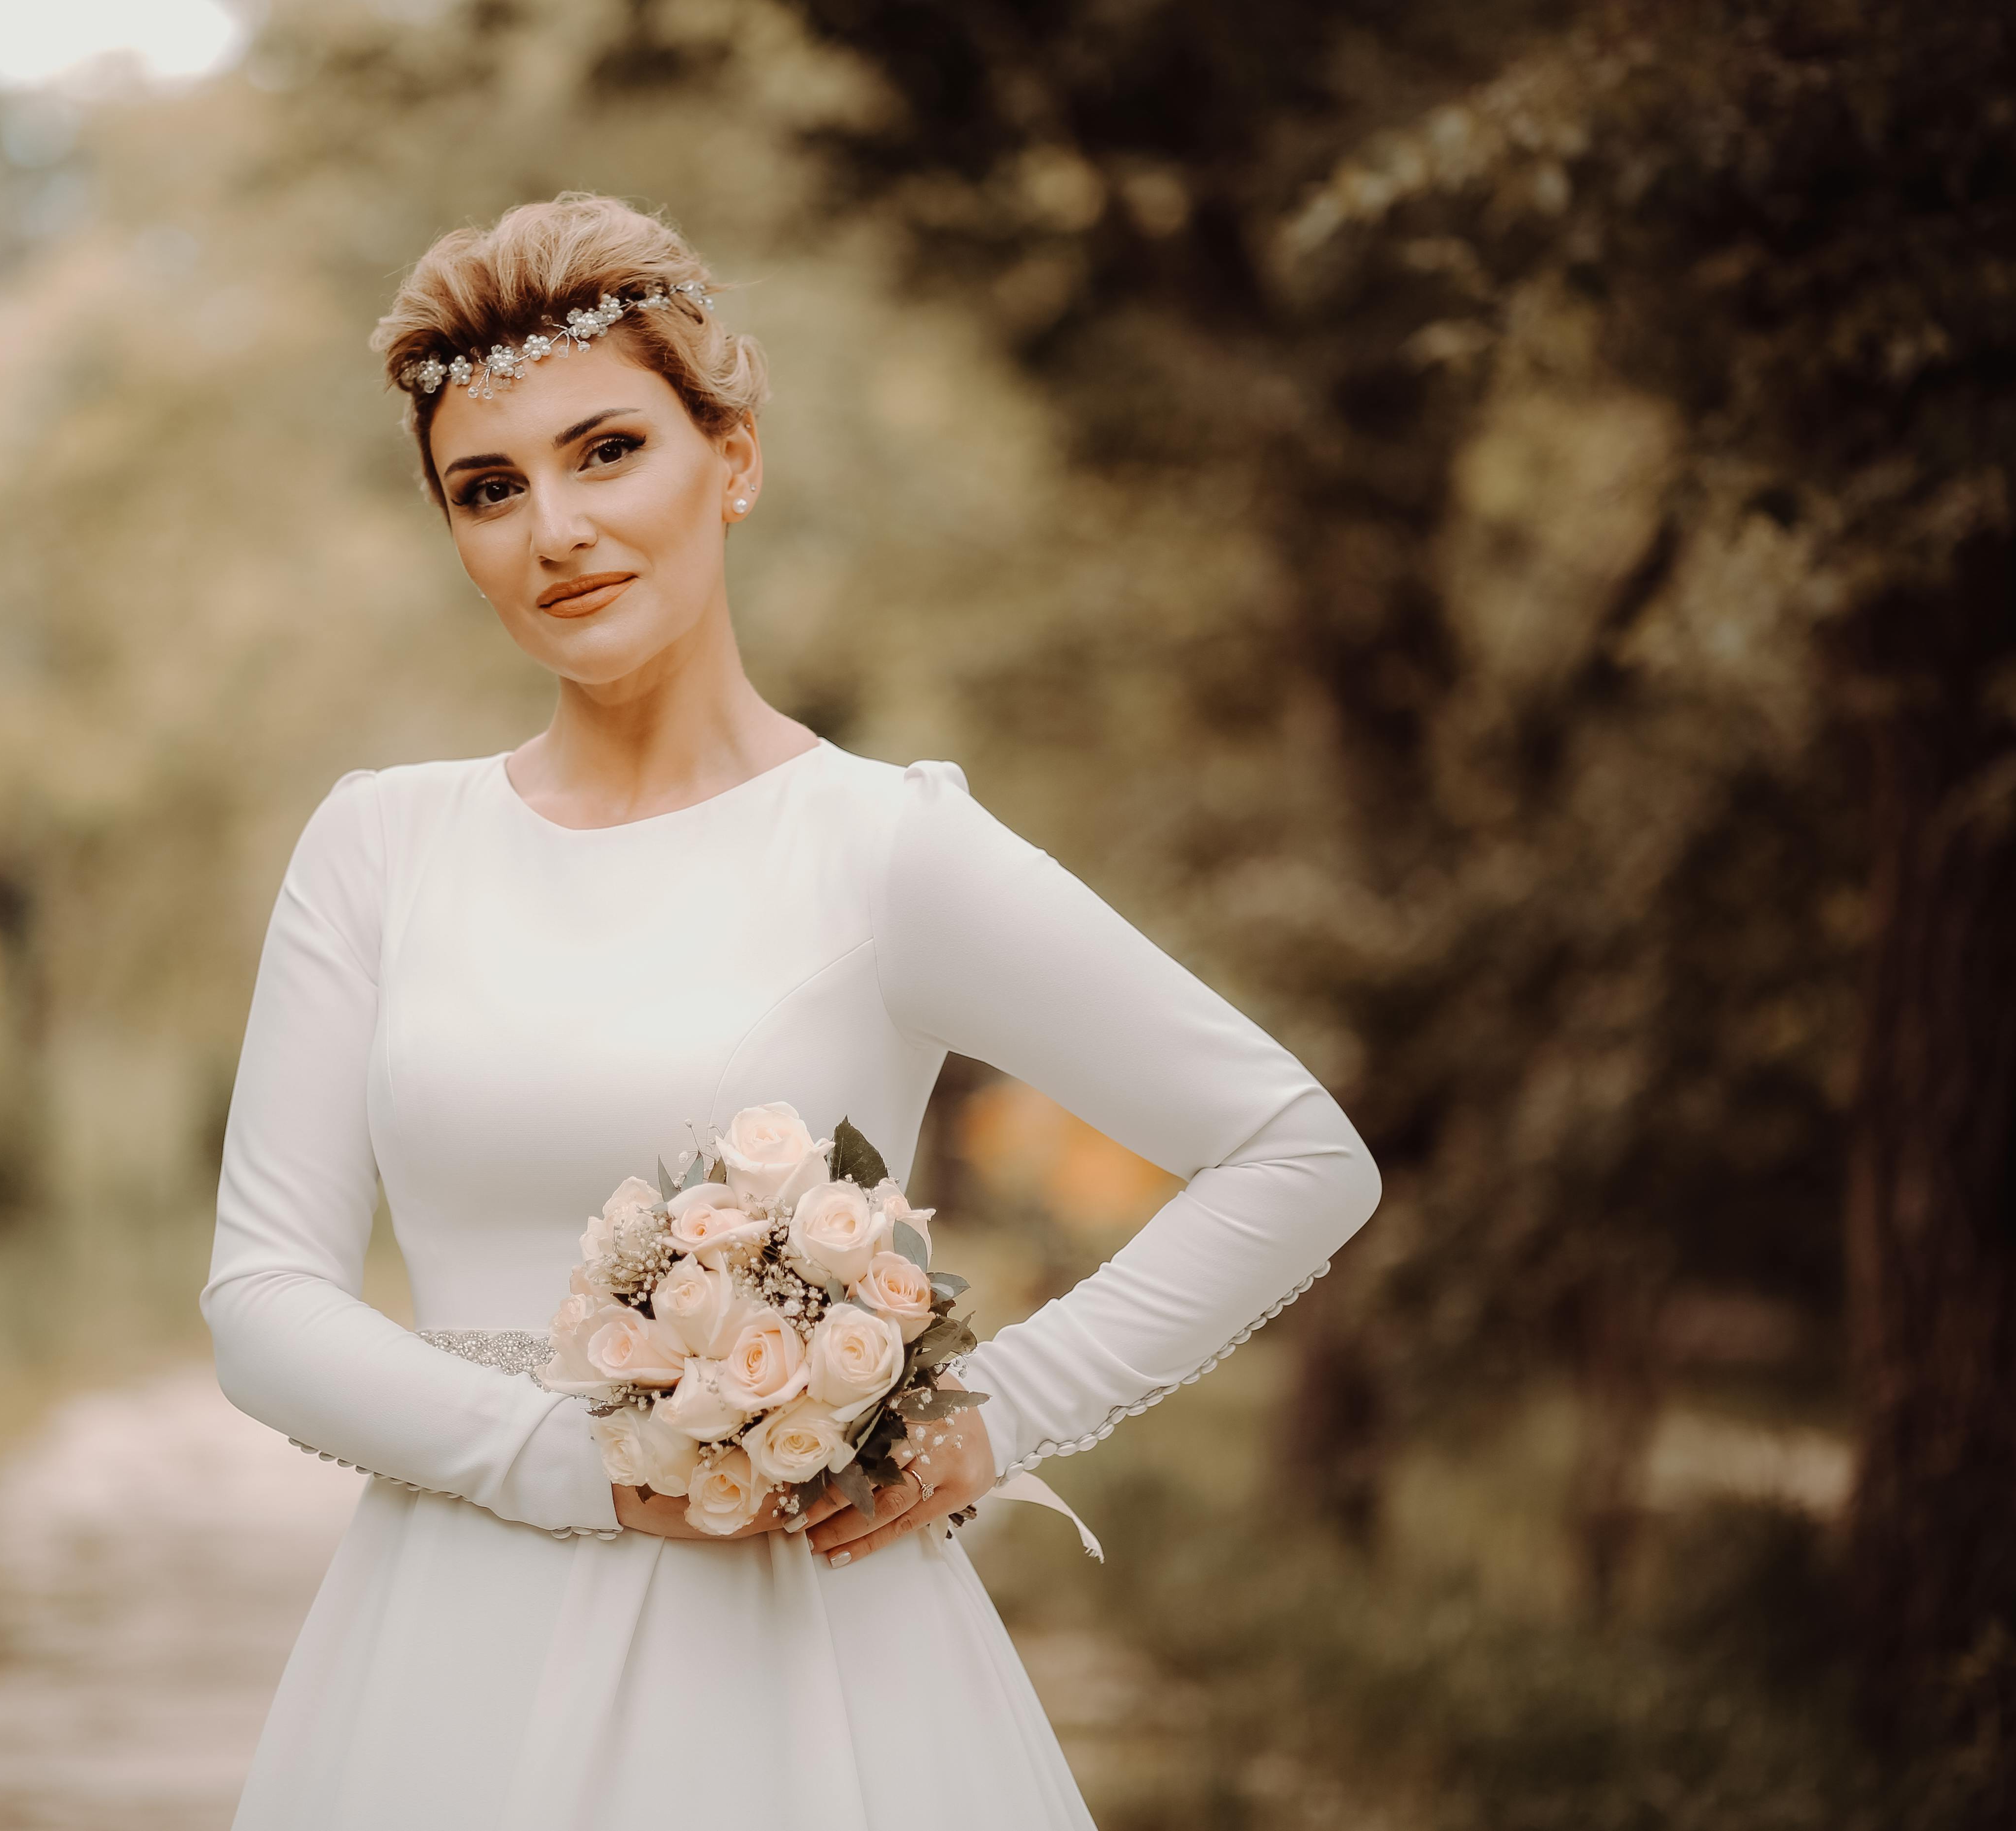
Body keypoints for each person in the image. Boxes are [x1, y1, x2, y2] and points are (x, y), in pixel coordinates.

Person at [201, 193, 1380, 1829]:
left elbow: (1297, 1155)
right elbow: (265, 1299)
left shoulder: (887, 847)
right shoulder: (380, 847)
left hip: (799, 1655)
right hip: (451, 1649)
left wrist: (994, 1419)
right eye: (491, 487)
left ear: (734, 459)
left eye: (609, 451)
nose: (556, 529)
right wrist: (576, 1466)